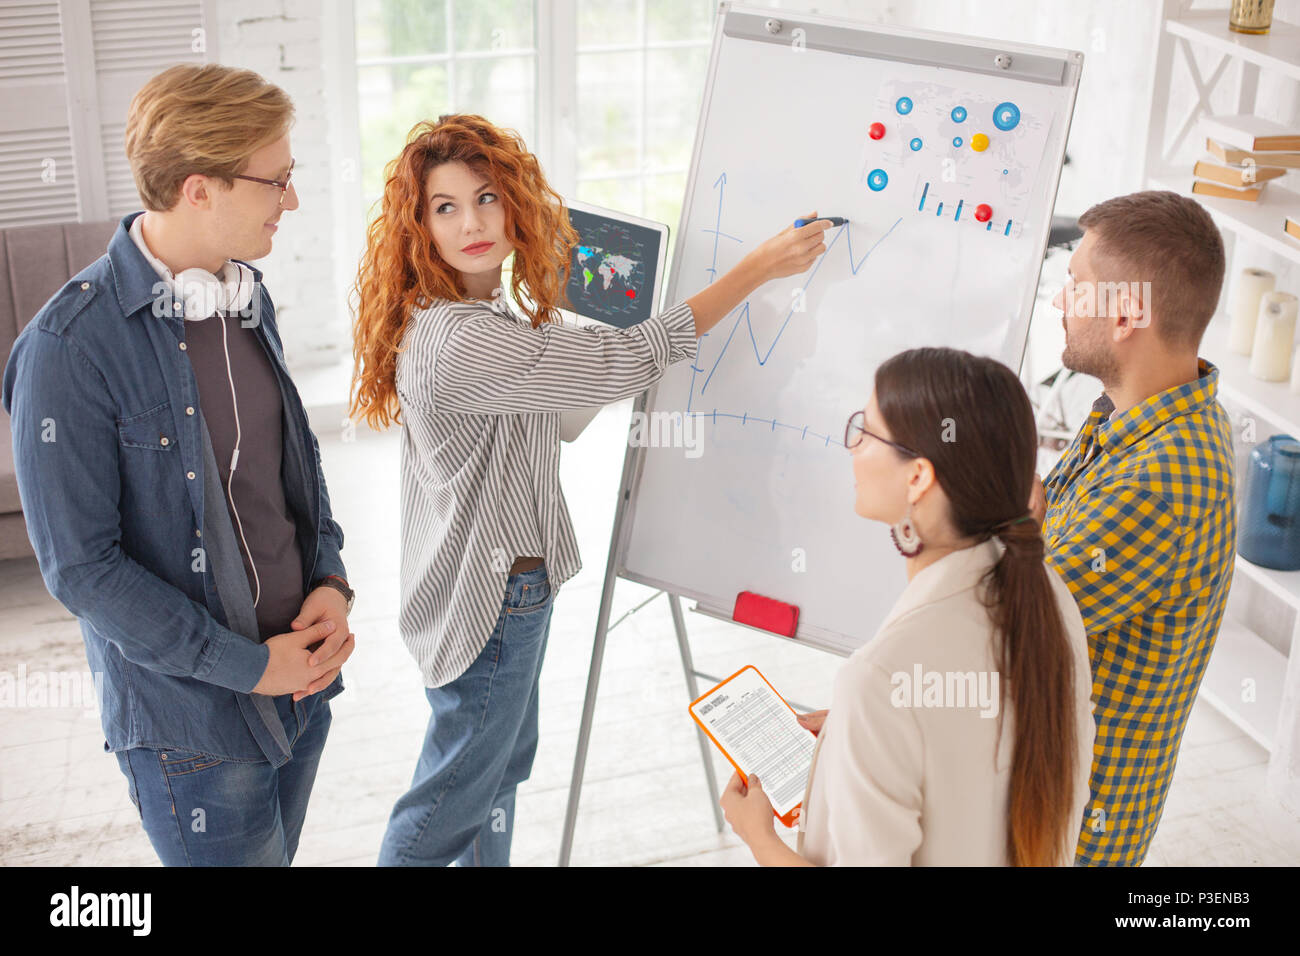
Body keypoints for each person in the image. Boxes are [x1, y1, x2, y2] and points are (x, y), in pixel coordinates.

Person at [350, 113, 830, 866]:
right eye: (445, 208)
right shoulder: (465, 336)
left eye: (486, 198)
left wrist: (570, 332)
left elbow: (562, 412)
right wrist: (757, 268)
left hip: (497, 588)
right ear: (420, 228)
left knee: (492, 780)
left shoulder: (479, 316)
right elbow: (632, 361)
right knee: (448, 801)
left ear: (515, 204)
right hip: (490, 597)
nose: (471, 222)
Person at [1, 64, 356, 866]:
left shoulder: (243, 298)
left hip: (299, 688)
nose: (291, 201)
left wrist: (330, 583)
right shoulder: (68, 349)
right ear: (200, 189)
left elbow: (291, 470)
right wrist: (247, 667)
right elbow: (82, 571)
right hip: (194, 727)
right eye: (277, 180)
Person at [720, 347, 1096, 865]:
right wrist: (860, 731)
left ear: (918, 477)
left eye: (866, 430)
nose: (851, 444)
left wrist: (759, 837)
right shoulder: (1052, 598)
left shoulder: (880, 678)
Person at [1029, 190, 1234, 866]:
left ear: (1127, 312)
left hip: (1059, 825)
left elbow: (1002, 629)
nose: (1061, 301)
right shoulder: (1146, 415)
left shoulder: (1155, 485)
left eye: (1076, 282)